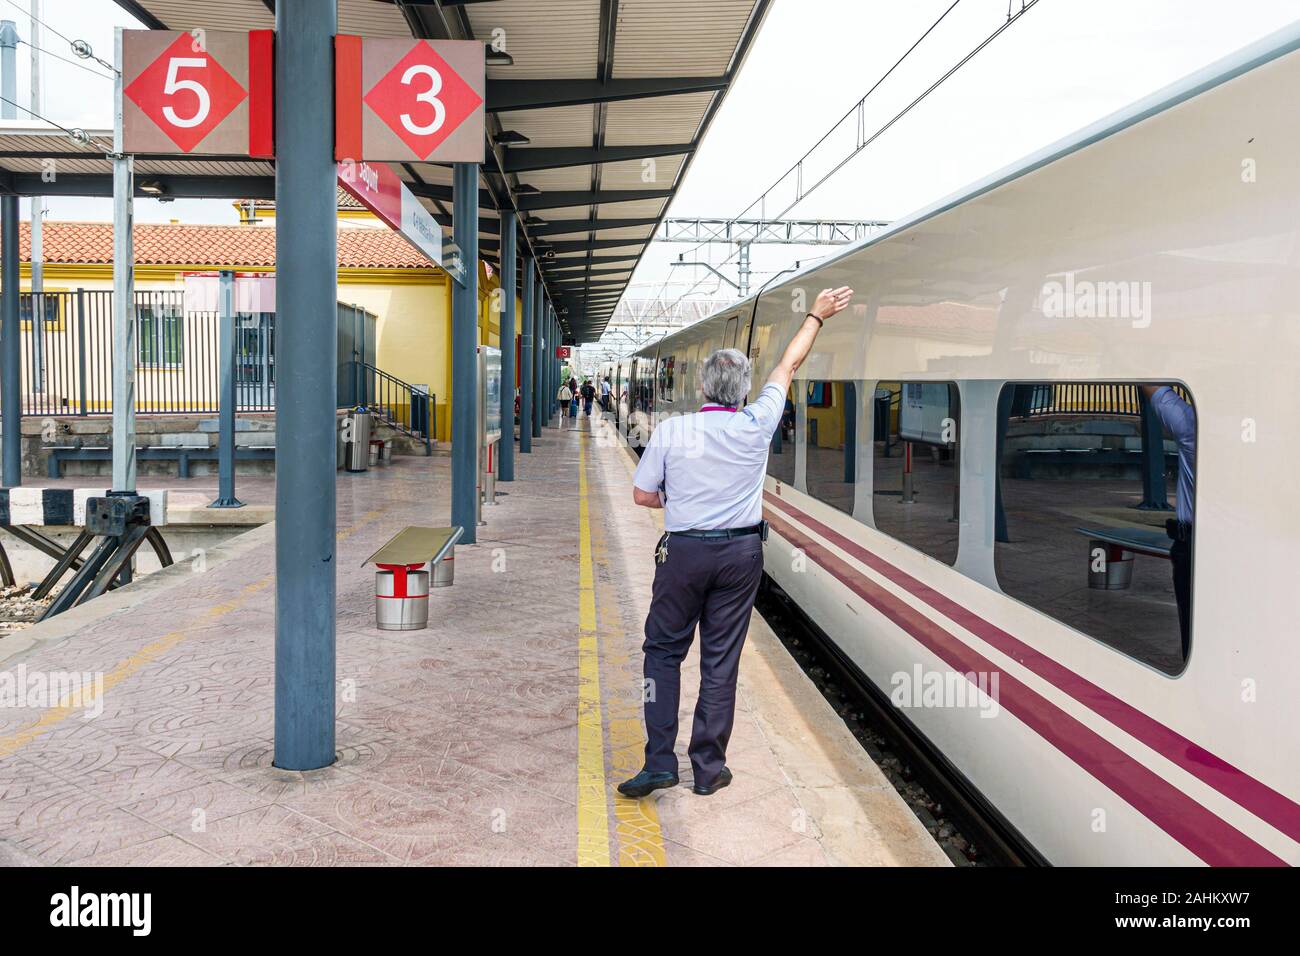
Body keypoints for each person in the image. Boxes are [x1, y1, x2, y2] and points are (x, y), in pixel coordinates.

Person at [618, 286, 855, 799]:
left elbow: (641, 496)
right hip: (741, 555)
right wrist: (815, 315)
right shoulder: (757, 423)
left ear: (702, 388)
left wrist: (678, 502)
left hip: (683, 553)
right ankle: (708, 769)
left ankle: (660, 762)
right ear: (744, 390)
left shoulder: (673, 430)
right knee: (720, 660)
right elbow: (787, 367)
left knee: (662, 653)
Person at [1139, 384, 1196, 659]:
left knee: (1192, 625)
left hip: (1192, 545)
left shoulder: (1192, 427)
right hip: (1243, 545)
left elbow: (1150, 383)